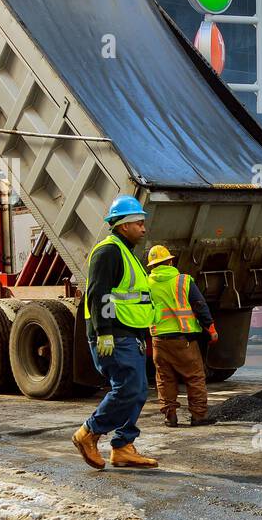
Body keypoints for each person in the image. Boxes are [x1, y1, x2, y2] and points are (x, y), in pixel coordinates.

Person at [72, 195, 159, 470]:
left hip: (129, 333)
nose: (144, 228)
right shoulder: (108, 251)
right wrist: (104, 332)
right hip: (114, 335)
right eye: (139, 223)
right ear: (124, 226)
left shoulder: (125, 252)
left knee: (139, 390)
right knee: (128, 389)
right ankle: (88, 433)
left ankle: (122, 446)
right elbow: (99, 295)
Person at [147, 244, 218, 428]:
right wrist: (210, 328)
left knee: (164, 379)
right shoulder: (183, 281)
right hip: (183, 341)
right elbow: (199, 305)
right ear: (170, 261)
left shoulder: (147, 283)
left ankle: (170, 417)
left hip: (158, 341)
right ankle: (198, 416)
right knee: (194, 377)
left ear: (152, 266)